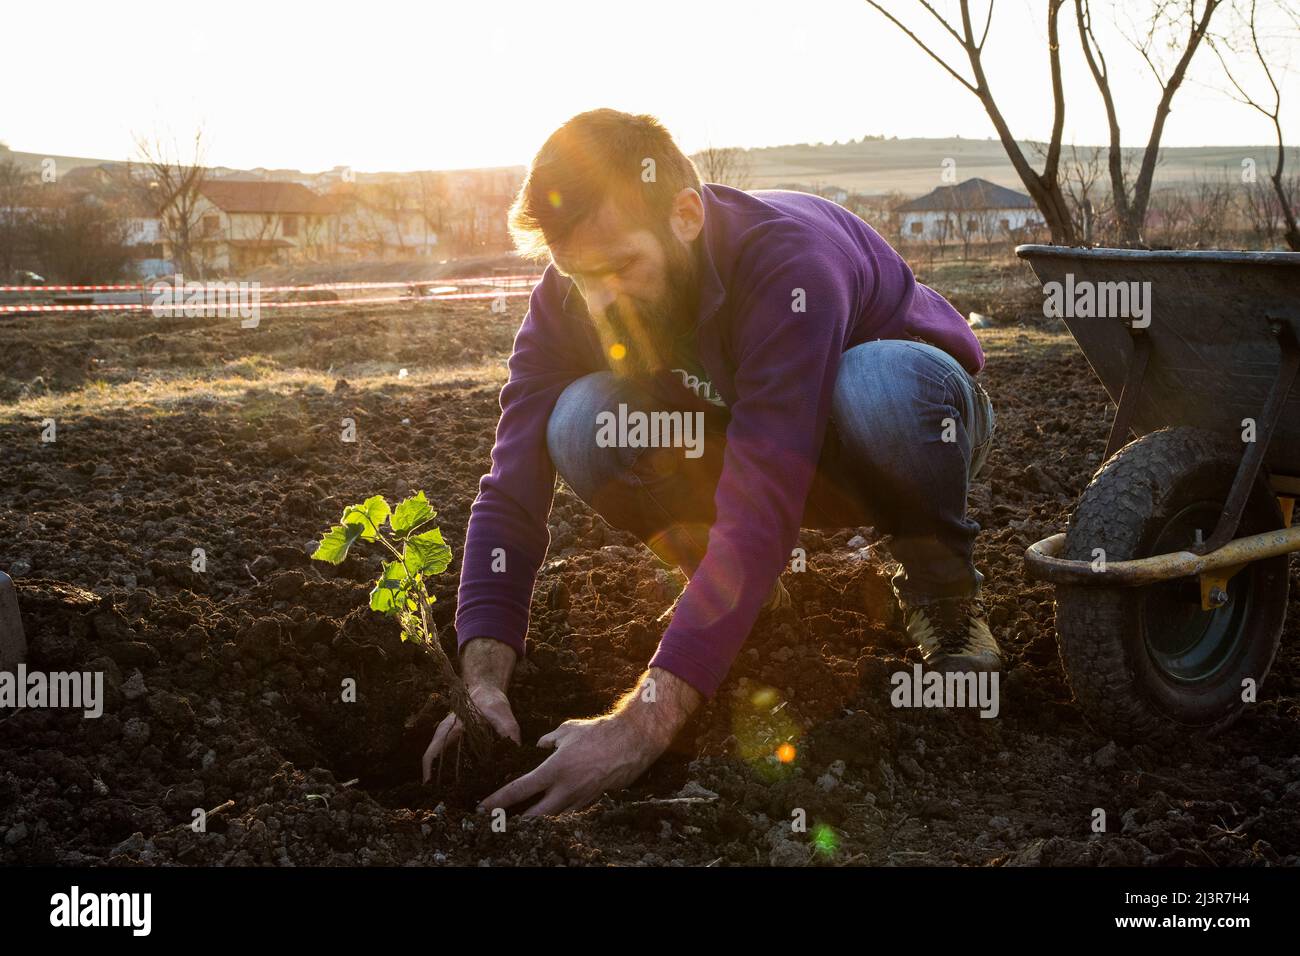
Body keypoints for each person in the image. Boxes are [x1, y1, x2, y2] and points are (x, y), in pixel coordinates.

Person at [423, 109, 997, 816]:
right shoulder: (570, 299)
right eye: (579, 274)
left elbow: (763, 508)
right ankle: (729, 597)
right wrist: (482, 679)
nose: (598, 300)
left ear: (687, 216)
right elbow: (510, 489)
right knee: (580, 421)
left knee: (874, 389)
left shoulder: (788, 265)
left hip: (896, 432)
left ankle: (943, 593)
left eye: (620, 267)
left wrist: (641, 727)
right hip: (749, 438)